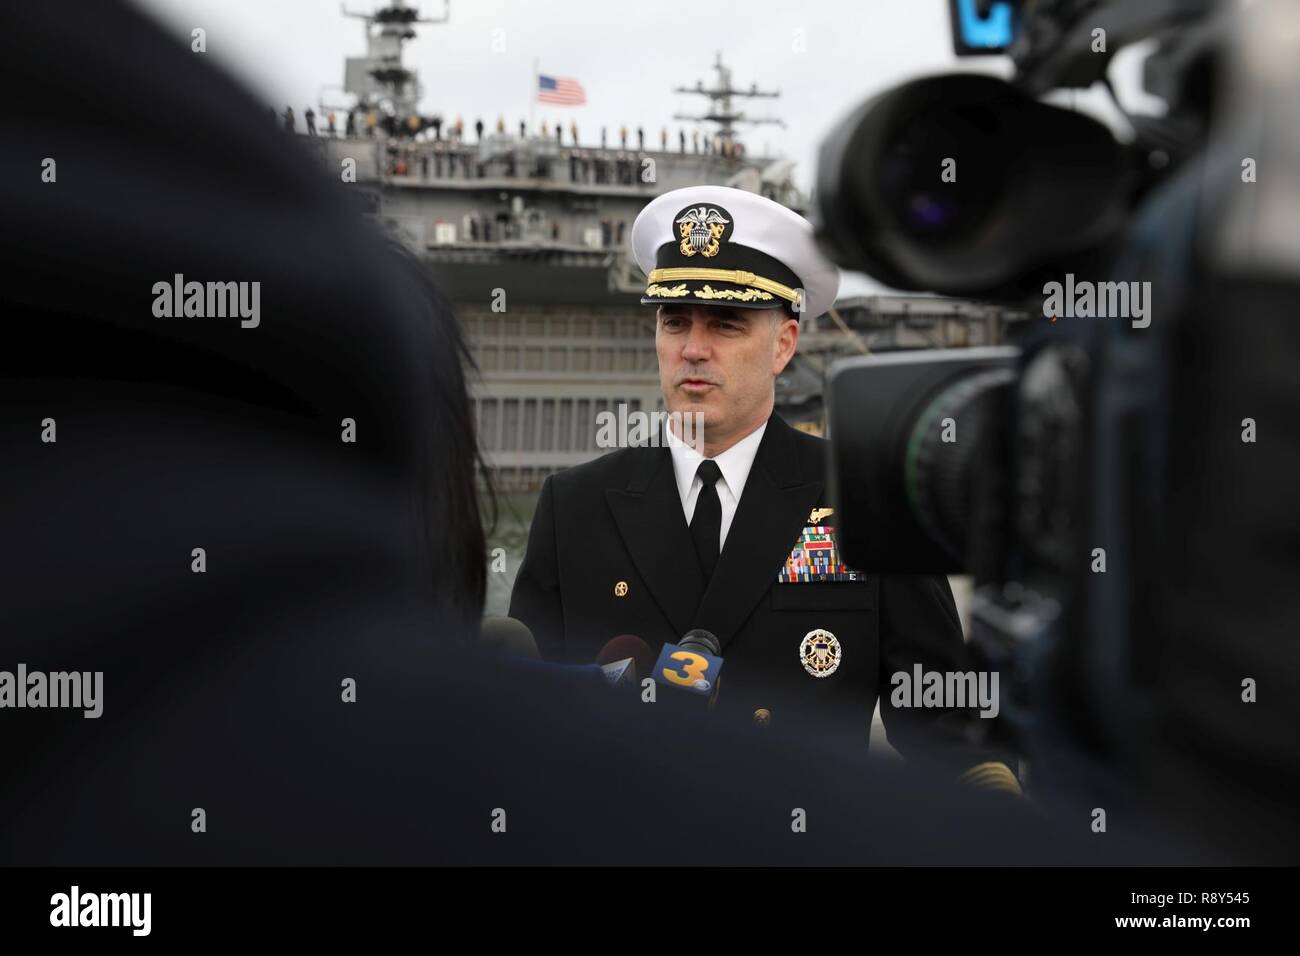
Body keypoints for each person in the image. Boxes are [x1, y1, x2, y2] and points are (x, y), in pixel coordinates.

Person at [509, 185, 1015, 779]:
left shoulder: (865, 496)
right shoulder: (574, 505)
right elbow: (525, 721)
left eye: (726, 324)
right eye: (675, 321)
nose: (693, 350)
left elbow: (945, 723)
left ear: (783, 344)